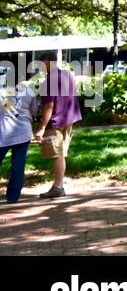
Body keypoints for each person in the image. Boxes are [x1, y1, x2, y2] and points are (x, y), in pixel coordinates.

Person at [33, 56, 82, 199]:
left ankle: (58, 187)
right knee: (62, 153)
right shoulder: (67, 75)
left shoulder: (49, 81)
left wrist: (42, 127)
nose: (40, 67)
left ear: (48, 62)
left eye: (41, 64)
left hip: (55, 121)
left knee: (57, 155)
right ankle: (59, 185)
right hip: (69, 119)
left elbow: (49, 106)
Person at [0, 77, 38, 203]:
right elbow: (34, 111)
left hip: (4, 133)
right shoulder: (29, 91)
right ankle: (12, 197)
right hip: (23, 133)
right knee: (18, 166)